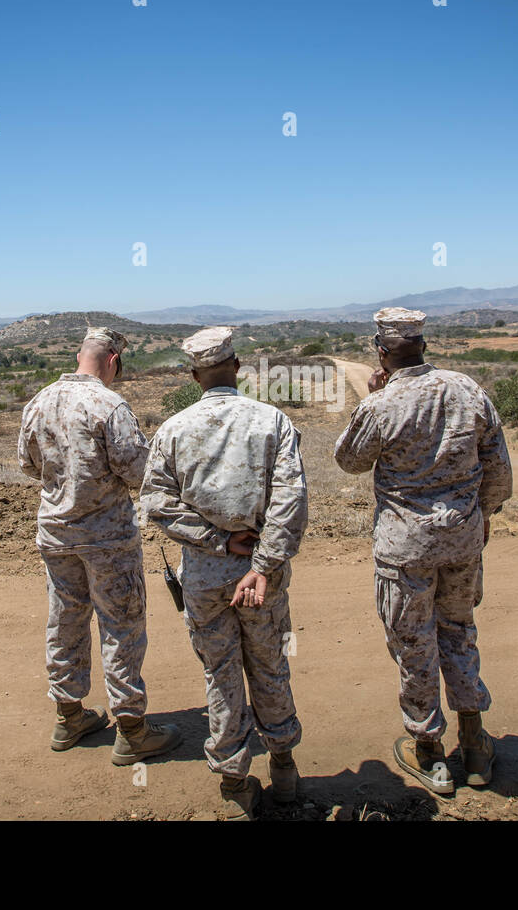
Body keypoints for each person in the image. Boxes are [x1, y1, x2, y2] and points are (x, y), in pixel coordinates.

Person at [333, 307, 513, 794]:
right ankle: (475, 746)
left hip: (405, 547)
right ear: (424, 344)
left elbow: (350, 460)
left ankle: (429, 750)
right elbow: (498, 471)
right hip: (461, 539)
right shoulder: (468, 389)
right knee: (458, 631)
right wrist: (484, 518)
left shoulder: (383, 404)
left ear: (381, 349)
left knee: (413, 643)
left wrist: (374, 399)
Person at [139, 326, 308, 820]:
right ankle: (284, 770)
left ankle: (235, 784)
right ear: (236, 367)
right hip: (262, 577)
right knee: (270, 666)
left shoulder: (173, 429)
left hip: (205, 578)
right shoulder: (271, 421)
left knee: (220, 674)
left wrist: (215, 542)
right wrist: (261, 565)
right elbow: (289, 502)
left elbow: (157, 503)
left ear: (194, 376)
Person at [18, 326, 181, 766]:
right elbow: (136, 471)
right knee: (121, 626)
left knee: (65, 620)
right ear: (112, 360)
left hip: (55, 534)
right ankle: (131, 729)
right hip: (107, 538)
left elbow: (28, 464)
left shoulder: (39, 401)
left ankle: (69, 715)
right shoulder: (110, 405)